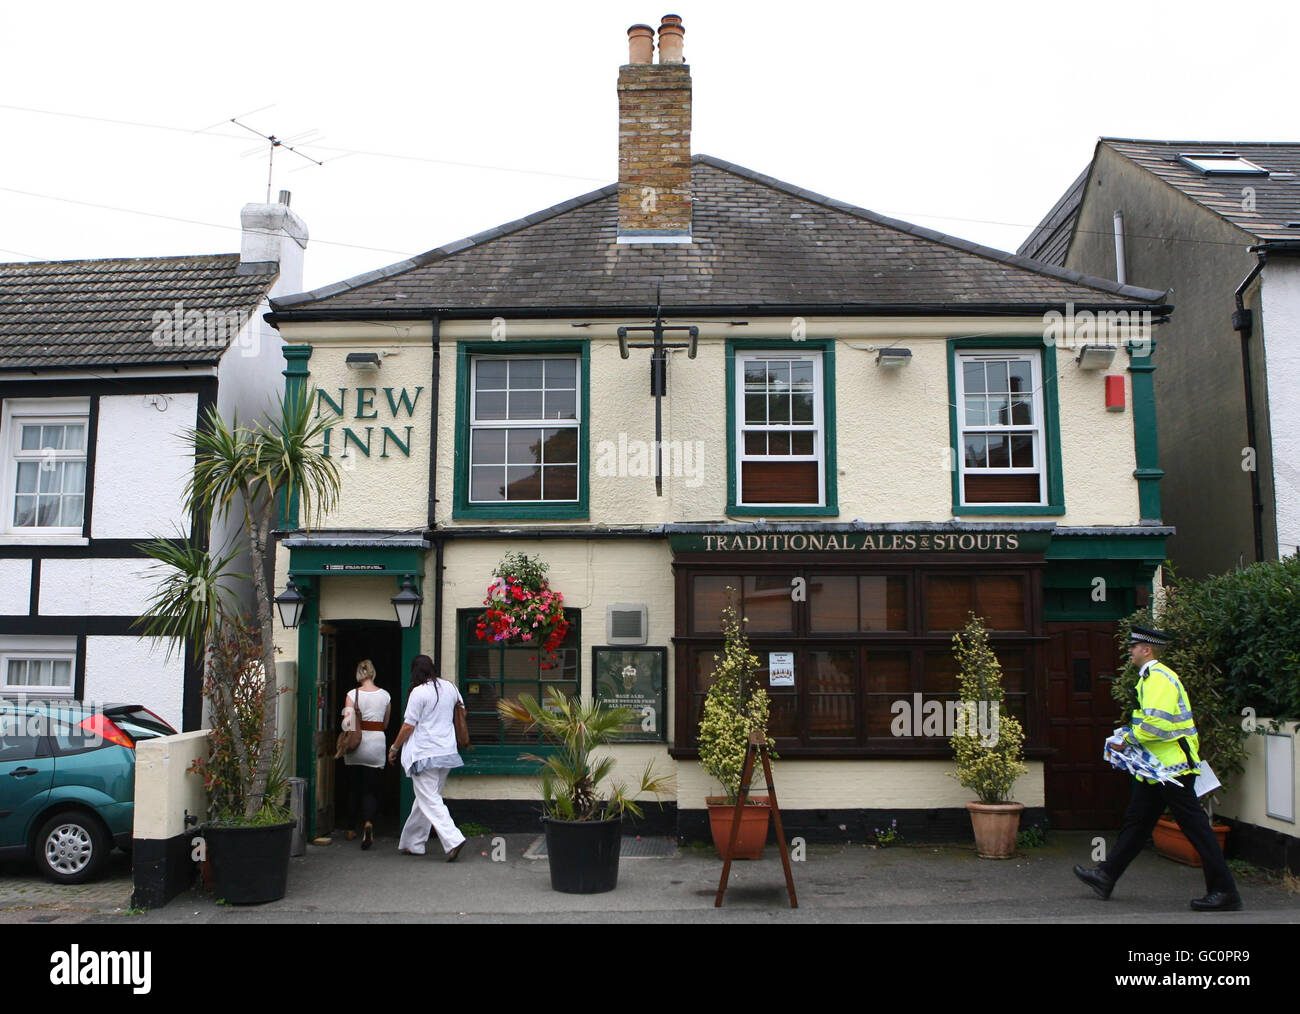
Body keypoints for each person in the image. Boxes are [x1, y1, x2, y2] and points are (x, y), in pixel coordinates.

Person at [1074, 625, 1242, 911]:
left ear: (1146, 649)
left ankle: (1225, 892)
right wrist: (1128, 734)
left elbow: (1157, 725)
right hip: (1156, 769)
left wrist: (1125, 738)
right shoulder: (1150, 679)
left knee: (1196, 829)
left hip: (1171, 770)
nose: (1130, 651)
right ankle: (1105, 875)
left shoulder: (1159, 679)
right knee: (1137, 823)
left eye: (1133, 646)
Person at [388, 654, 467, 861]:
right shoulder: (450, 687)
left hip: (424, 752)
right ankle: (413, 843)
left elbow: (408, 726)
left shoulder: (419, 692)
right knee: (426, 799)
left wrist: (395, 748)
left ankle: (453, 839)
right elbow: (462, 712)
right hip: (447, 752)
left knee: (429, 799)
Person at [342, 659, 391, 850]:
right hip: (377, 743)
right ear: (373, 672)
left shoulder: (352, 694)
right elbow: (386, 724)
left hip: (356, 744)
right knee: (370, 789)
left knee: (353, 787)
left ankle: (350, 828)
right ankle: (368, 822)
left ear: (359, 674)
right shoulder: (385, 695)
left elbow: (347, 722)